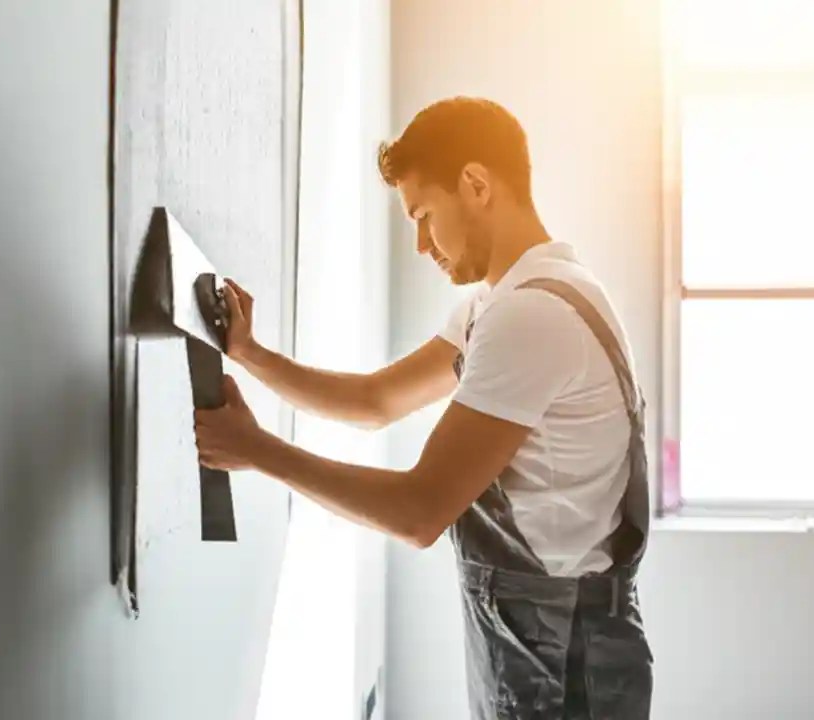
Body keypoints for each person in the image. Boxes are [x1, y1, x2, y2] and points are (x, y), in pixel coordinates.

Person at [193, 96, 652, 718]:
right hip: (540, 642)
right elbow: (375, 401)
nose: (419, 243)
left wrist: (256, 451)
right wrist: (250, 354)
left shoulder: (533, 317)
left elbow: (419, 511)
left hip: (564, 662)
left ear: (476, 184)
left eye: (423, 214)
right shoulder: (505, 303)